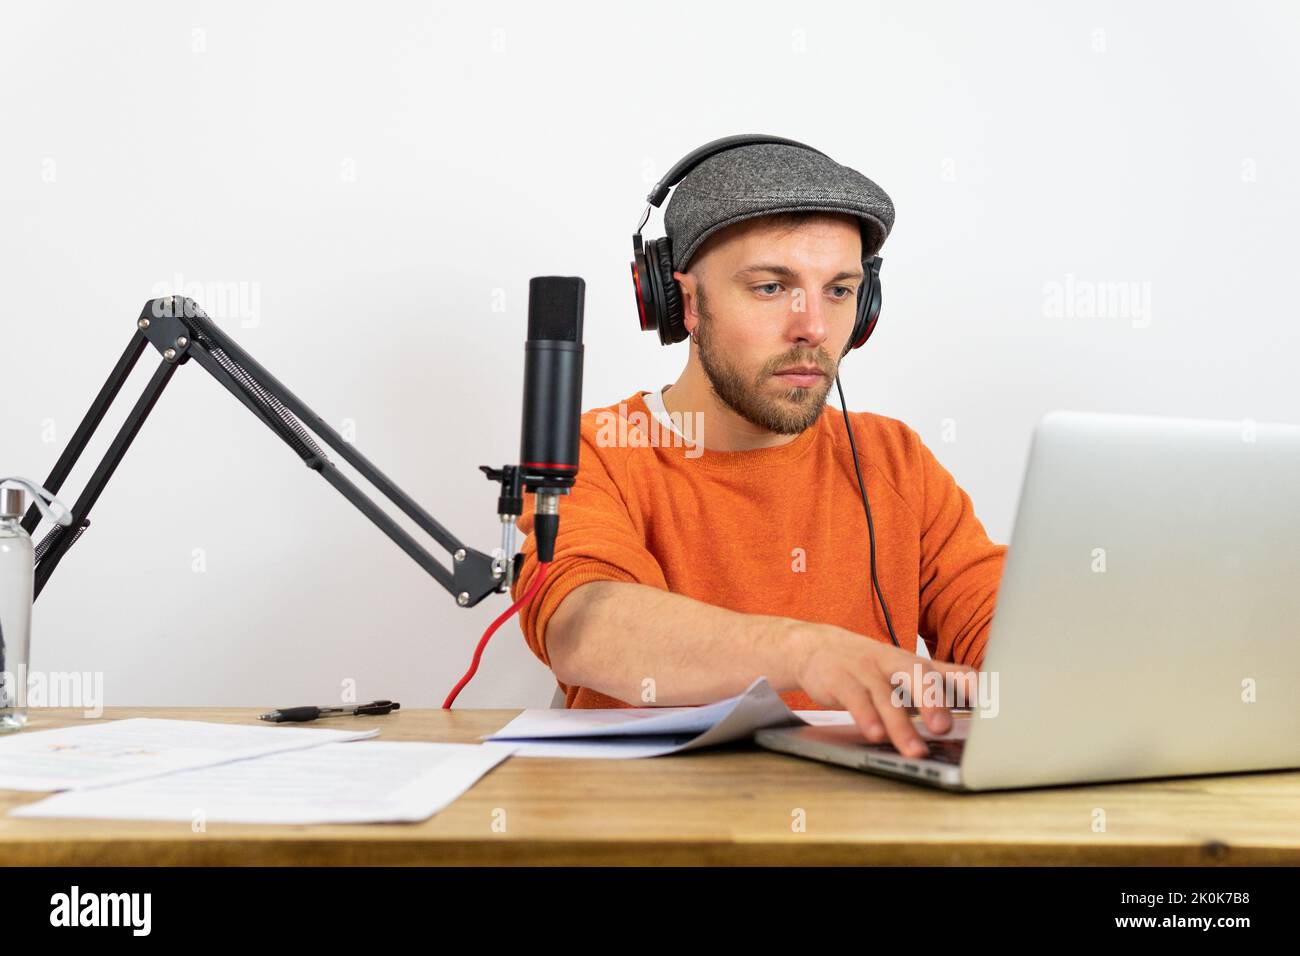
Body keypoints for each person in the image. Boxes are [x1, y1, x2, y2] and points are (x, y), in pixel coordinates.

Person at [511, 139, 1006, 759]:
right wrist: (806, 653)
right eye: (772, 287)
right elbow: (584, 626)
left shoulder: (894, 458)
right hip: (646, 832)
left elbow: (1003, 630)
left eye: (839, 290)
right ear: (684, 302)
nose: (814, 328)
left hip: (864, 827)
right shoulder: (596, 450)